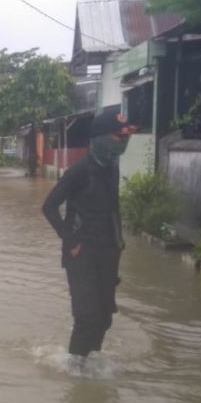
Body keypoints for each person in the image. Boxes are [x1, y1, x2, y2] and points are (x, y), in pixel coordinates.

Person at [41, 109, 136, 363]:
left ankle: (91, 360)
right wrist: (70, 240)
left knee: (104, 316)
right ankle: (75, 371)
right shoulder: (80, 170)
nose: (124, 141)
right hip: (80, 252)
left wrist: (119, 241)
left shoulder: (112, 168)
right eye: (118, 136)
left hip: (108, 251)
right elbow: (49, 207)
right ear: (100, 137)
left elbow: (113, 207)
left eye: (126, 135)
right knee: (87, 316)